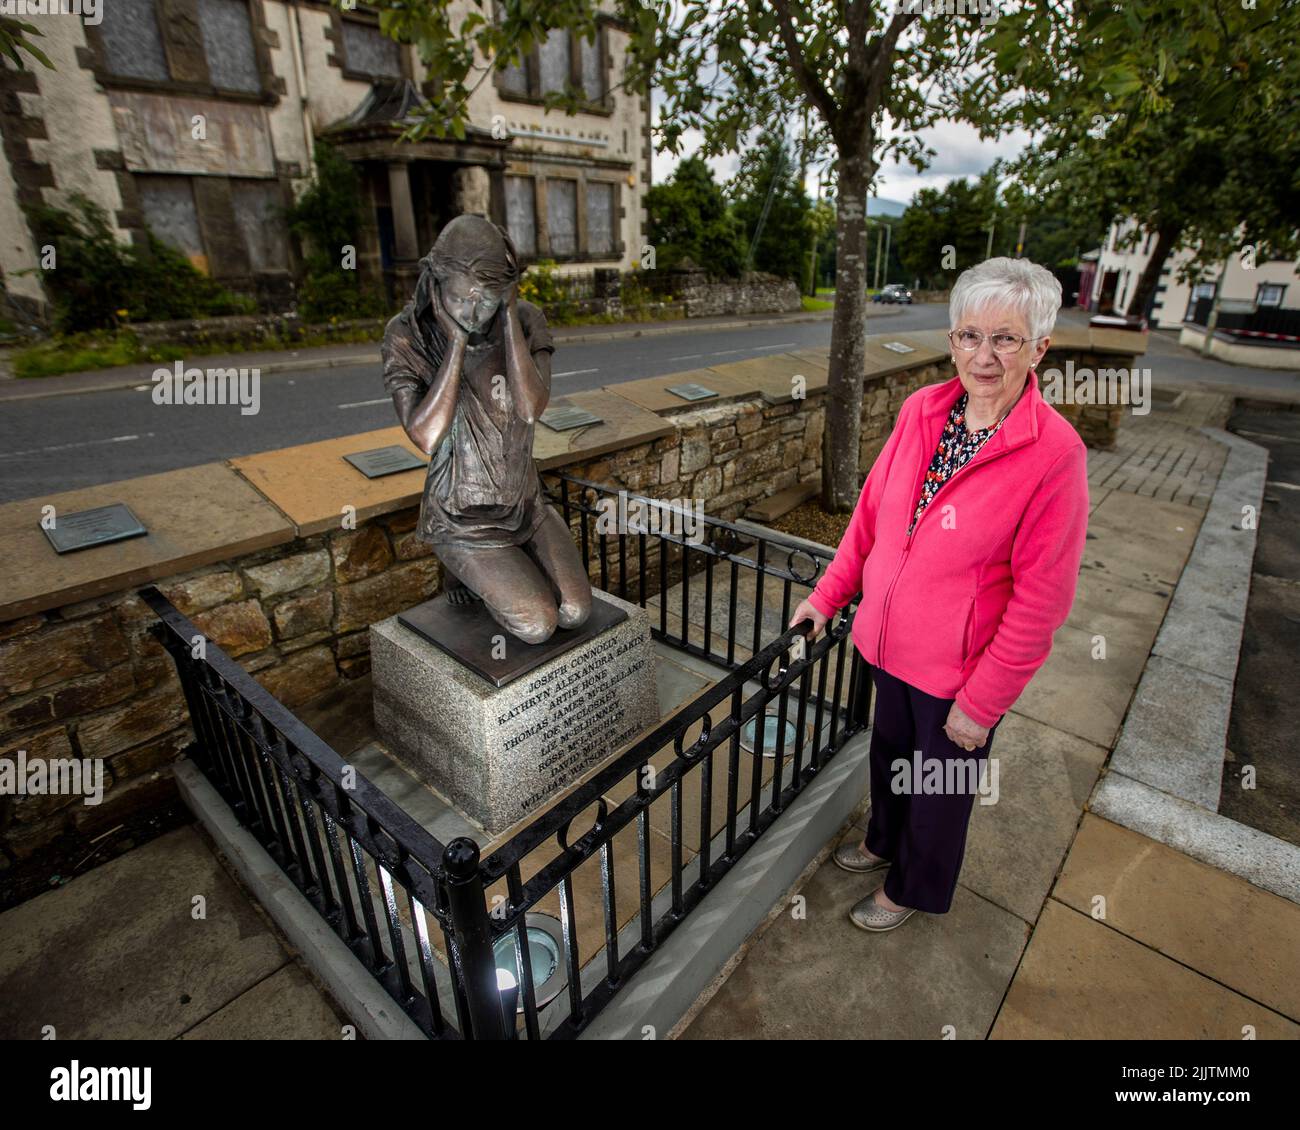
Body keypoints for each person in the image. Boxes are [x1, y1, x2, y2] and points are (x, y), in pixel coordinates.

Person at [788, 257, 1090, 932]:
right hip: (889, 647)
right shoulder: (923, 409)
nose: (983, 356)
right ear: (952, 339)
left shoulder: (1055, 454)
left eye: (1006, 338)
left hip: (960, 675)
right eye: (969, 336)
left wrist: (981, 706)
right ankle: (881, 842)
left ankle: (913, 887)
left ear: (1040, 347)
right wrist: (828, 597)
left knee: (939, 793)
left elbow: (1041, 603)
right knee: (888, 758)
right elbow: (871, 518)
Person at [381, 214, 592, 644]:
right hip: (461, 519)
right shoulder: (406, 334)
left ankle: (492, 575)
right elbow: (425, 436)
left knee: (575, 612)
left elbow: (531, 408)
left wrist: (510, 314)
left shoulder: (526, 320)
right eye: (461, 299)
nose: (473, 312)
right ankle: (468, 571)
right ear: (436, 284)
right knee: (538, 624)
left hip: (525, 505)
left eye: (488, 299)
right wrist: (456, 343)